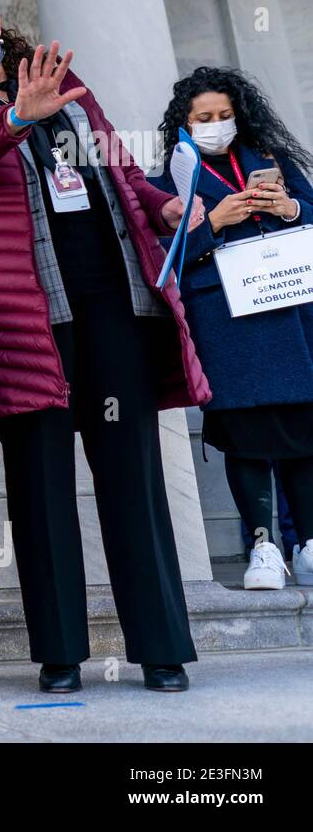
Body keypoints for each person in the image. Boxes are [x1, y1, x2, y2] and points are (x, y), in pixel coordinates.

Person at [0, 0, 210, 693]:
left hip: (112, 308)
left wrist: (175, 207)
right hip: (23, 322)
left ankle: (161, 649)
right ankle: (60, 656)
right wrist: (17, 115)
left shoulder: (70, 90)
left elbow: (127, 179)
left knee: (133, 480)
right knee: (40, 489)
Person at [151, 66, 313, 590]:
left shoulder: (274, 162)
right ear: (184, 123)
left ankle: (309, 545)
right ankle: (264, 548)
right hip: (227, 325)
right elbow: (159, 263)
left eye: (225, 115)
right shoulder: (169, 181)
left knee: (303, 433)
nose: (217, 124)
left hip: (291, 314)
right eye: (204, 118)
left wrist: (288, 209)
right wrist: (212, 223)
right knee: (246, 438)